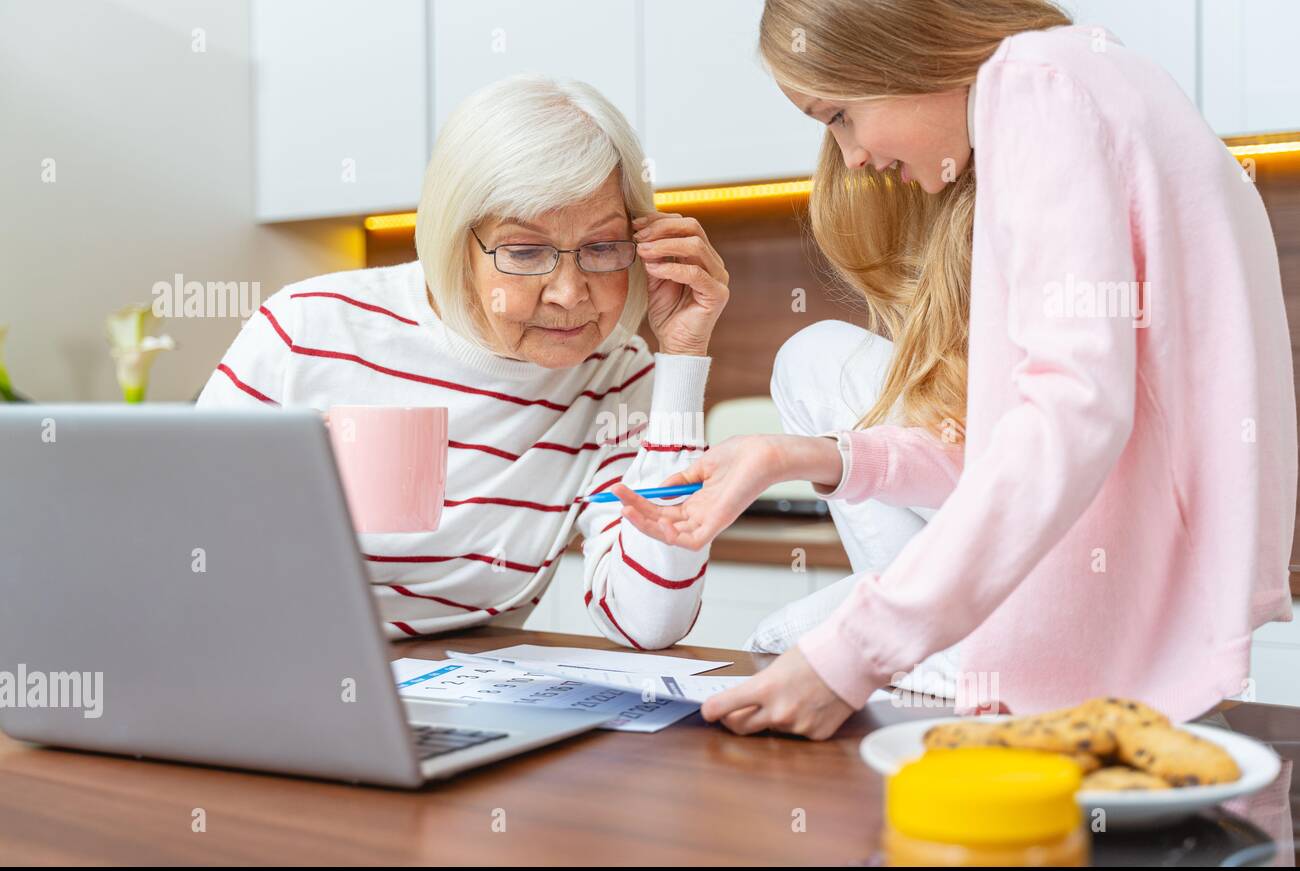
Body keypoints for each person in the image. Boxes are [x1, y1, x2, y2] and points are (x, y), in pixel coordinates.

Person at [616, 0, 1296, 736]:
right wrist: (794, 456)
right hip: (1158, 613)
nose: (851, 157)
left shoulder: (1040, 84)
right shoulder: (1094, 79)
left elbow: (1071, 417)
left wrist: (858, 651)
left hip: (1113, 624)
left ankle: (931, 651)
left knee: (783, 645)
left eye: (838, 114)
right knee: (792, 639)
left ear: (898, 50)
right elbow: (1013, 449)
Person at [198, 74, 730, 649]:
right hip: (271, 659)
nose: (570, 292)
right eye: (525, 252)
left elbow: (648, 624)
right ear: (456, 242)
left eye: (602, 248)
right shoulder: (306, 329)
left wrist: (681, 360)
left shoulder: (618, 376)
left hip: (461, 692)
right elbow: (180, 540)